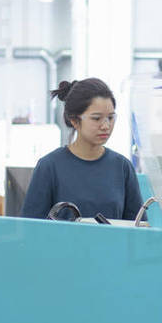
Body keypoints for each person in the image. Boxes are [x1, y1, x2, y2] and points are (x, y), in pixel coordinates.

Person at [20, 78, 144, 221]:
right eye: (96, 118)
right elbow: (31, 229)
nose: (105, 125)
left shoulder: (122, 167)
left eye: (110, 118)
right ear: (74, 120)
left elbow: (137, 228)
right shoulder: (50, 166)